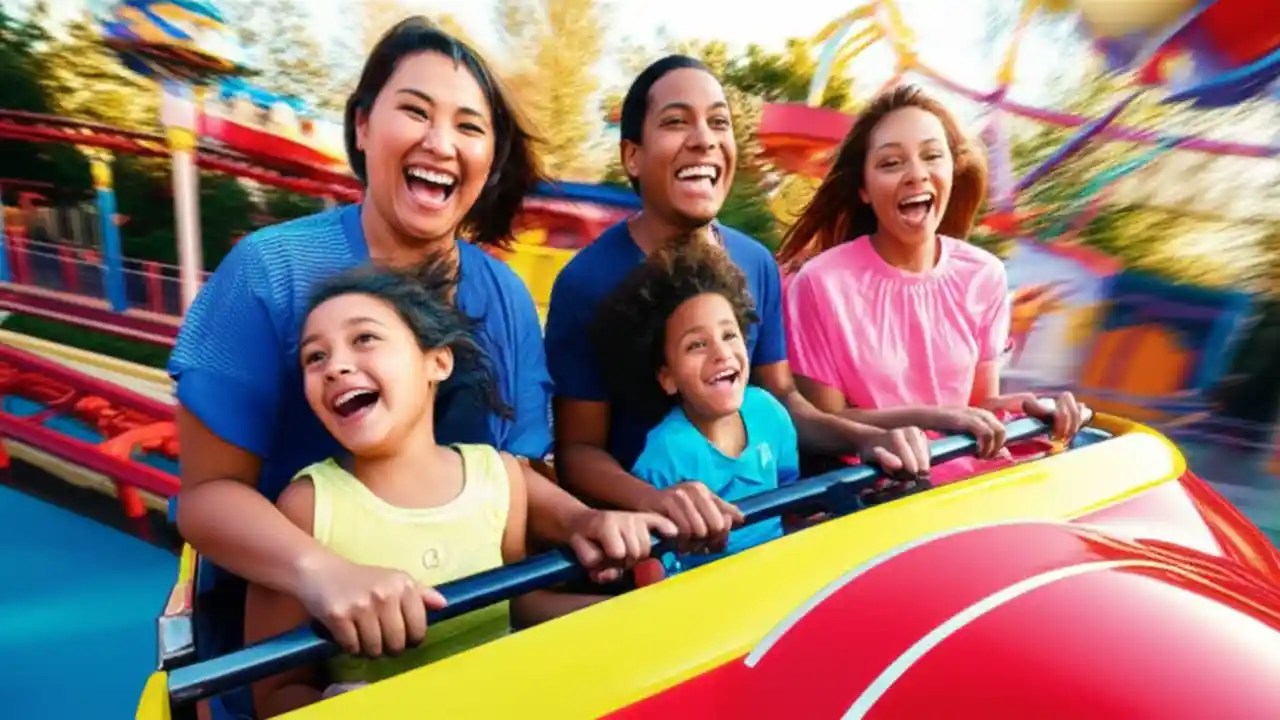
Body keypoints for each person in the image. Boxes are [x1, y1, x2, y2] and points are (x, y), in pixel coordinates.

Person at [168, 17, 674, 700]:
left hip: (469, 641)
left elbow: (511, 481)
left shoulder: (503, 295)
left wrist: (583, 522)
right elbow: (207, 495)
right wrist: (319, 570)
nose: (440, 142)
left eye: (469, 125)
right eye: (414, 111)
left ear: (491, 160)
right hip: (300, 626)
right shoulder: (271, 272)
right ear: (362, 128)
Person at [545, 55, 930, 549]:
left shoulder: (755, 261)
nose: (704, 138)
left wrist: (862, 439)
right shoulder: (585, 281)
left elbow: (781, 401)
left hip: (761, 532)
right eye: (676, 122)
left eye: (719, 122)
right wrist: (657, 500)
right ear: (633, 156)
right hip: (655, 556)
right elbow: (578, 451)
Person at [245, 260, 601, 717]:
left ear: (437, 361)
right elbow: (273, 690)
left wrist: (630, 615)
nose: (335, 367)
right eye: (316, 357)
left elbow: (511, 608)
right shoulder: (308, 507)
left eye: (364, 339)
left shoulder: (499, 479)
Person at [777, 84, 1086, 483]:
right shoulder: (820, 283)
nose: (916, 174)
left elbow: (980, 405)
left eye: (932, 156)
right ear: (864, 190)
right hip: (873, 493)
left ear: (951, 173)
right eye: (891, 163)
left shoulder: (985, 274)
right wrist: (930, 416)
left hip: (968, 483)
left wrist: (1032, 406)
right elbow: (827, 426)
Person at [591, 234, 799, 574]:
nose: (721, 354)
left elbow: (792, 502)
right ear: (667, 377)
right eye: (696, 345)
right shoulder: (663, 456)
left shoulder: (769, 413)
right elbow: (655, 571)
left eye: (729, 335)